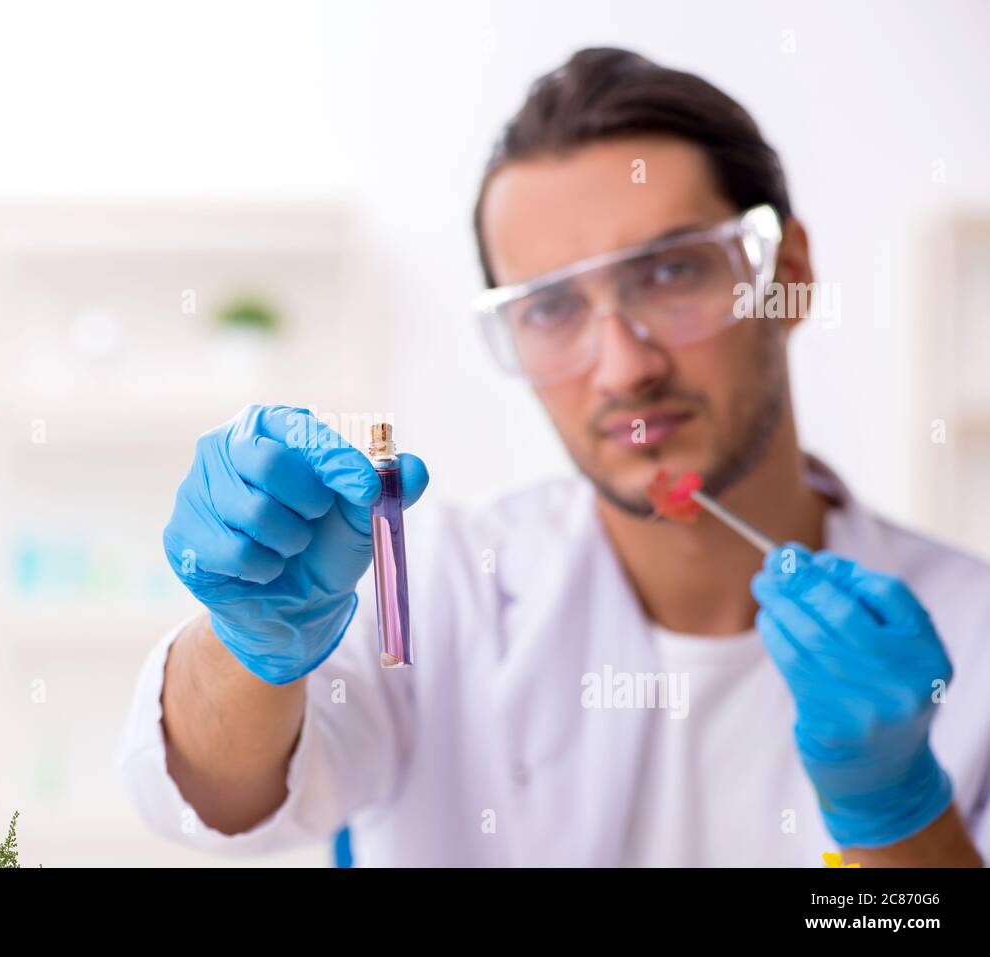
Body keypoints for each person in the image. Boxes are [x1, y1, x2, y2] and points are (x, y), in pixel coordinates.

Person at [118, 48, 990, 866]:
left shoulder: (972, 636)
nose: (625, 366)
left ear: (787, 272)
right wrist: (247, 640)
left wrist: (898, 811)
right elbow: (214, 798)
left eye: (671, 273)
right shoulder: (439, 586)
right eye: (551, 309)